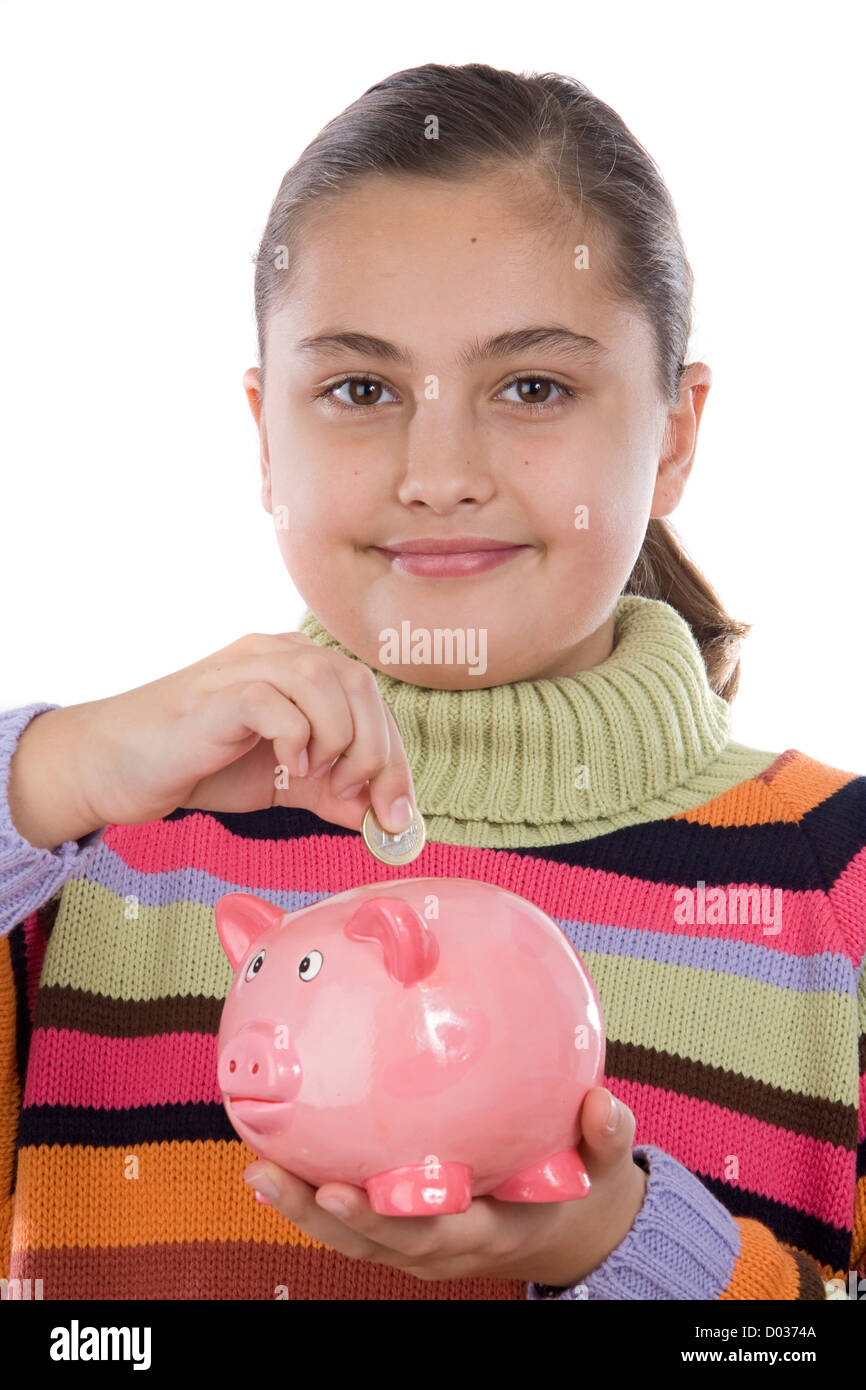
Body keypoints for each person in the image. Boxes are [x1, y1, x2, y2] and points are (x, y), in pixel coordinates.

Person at [1, 61, 862, 1301]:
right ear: (263, 431)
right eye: (361, 388)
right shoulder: (81, 854)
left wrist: (615, 1244)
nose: (438, 471)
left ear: (675, 430)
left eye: (532, 386)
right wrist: (51, 769)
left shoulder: (836, 882)